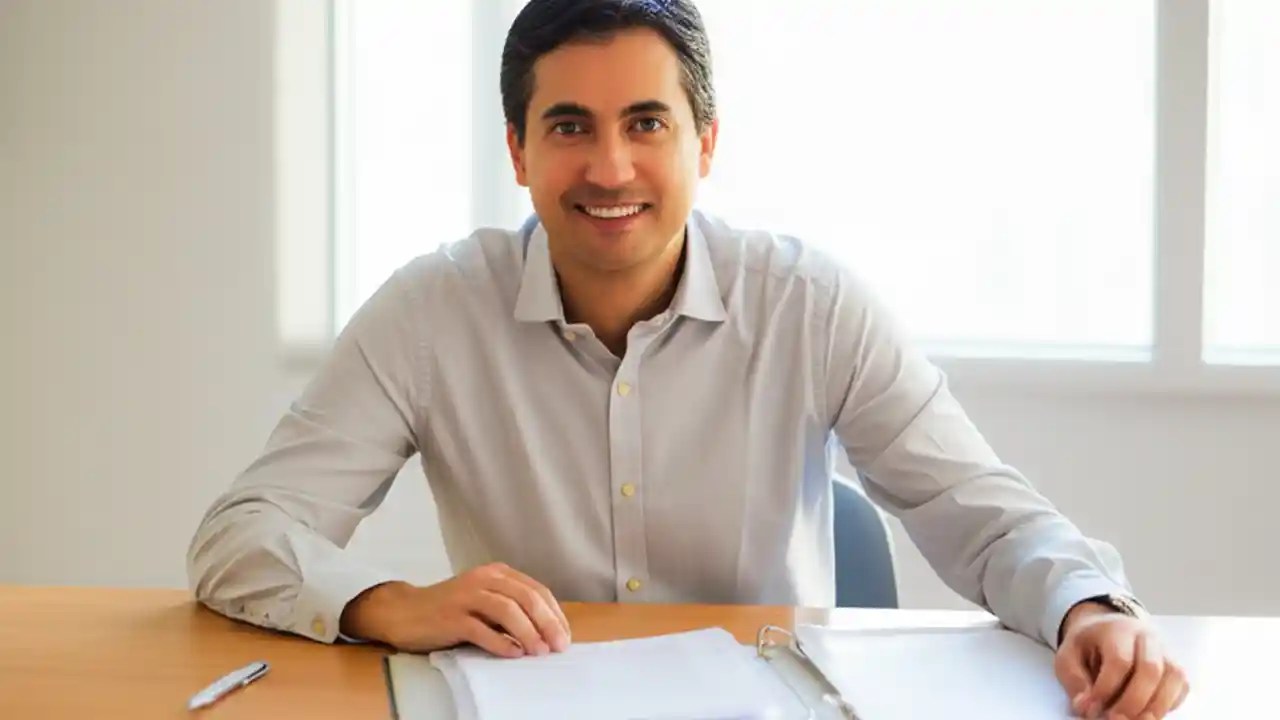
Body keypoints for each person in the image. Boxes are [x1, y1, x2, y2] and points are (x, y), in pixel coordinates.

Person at [188, 1, 1188, 717]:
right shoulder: (430, 310)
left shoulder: (810, 304)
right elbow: (242, 534)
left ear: (703, 144)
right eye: (568, 126)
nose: (609, 167)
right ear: (517, 152)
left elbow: (978, 511)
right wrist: (386, 603)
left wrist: (1085, 606)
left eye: (646, 124)